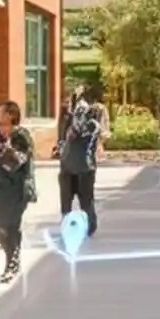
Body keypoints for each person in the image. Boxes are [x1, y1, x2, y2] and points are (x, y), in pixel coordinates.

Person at [0, 101, 37, 283]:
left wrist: (6, 150)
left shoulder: (22, 137)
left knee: (12, 226)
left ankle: (11, 264)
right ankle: (12, 257)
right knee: (0, 228)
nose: (2, 127)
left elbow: (17, 161)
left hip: (18, 188)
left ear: (14, 122)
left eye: (5, 123)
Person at [56, 85, 103, 237]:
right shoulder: (68, 120)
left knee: (86, 202)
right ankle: (67, 225)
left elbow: (76, 132)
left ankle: (89, 225)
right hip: (67, 167)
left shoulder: (92, 125)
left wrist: (74, 113)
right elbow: (63, 138)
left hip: (84, 168)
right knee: (66, 201)